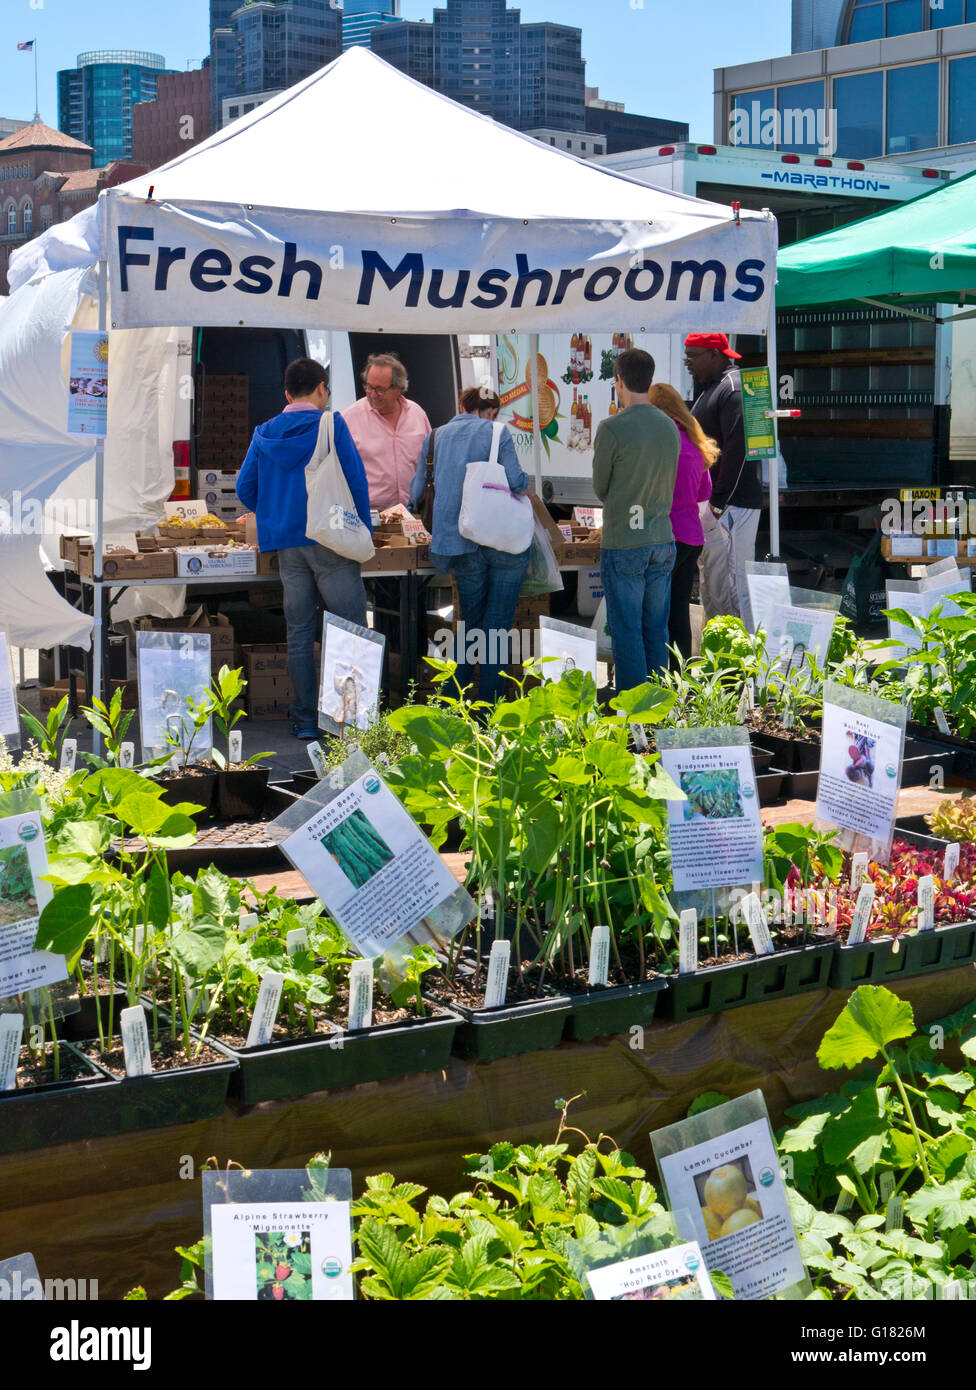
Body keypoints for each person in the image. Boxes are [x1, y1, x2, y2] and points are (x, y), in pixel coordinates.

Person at [236, 357, 372, 740]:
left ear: (286, 393)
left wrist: (276, 514)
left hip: (287, 546)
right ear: (322, 388)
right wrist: (362, 528)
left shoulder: (265, 432)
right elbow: (355, 480)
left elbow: (246, 489)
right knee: (348, 630)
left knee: (299, 633)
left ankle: (305, 721)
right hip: (331, 540)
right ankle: (346, 721)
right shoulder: (331, 423)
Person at [408, 385, 530, 703]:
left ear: (462, 404)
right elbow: (516, 482)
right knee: (497, 627)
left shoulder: (434, 437)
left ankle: (453, 702)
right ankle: (489, 708)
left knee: (471, 625)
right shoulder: (497, 432)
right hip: (500, 541)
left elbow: (415, 492)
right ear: (490, 411)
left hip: (459, 543)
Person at [593, 348, 679, 693]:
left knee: (626, 629)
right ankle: (658, 705)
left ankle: (634, 714)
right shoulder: (669, 426)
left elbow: (602, 488)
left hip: (625, 539)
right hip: (662, 537)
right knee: (656, 628)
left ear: (619, 381)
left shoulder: (612, 427)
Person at [684, 332, 761, 630]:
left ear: (716, 354)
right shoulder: (712, 388)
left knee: (732, 586)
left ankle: (738, 659)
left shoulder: (733, 388)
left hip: (732, 506)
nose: (688, 364)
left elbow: (739, 448)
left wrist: (718, 501)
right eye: (686, 357)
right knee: (713, 583)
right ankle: (719, 654)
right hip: (717, 506)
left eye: (693, 357)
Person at [648, 382, 720, 665]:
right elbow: (704, 492)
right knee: (678, 609)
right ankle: (681, 674)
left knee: (656, 611)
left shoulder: (660, 445)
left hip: (665, 535)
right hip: (692, 537)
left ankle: (659, 674)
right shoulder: (694, 443)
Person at [342, 353, 432, 512]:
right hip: (370, 516)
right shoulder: (350, 418)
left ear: (398, 389)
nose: (372, 394)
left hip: (414, 514)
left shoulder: (417, 414)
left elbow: (430, 460)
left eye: (380, 389)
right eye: (369, 386)